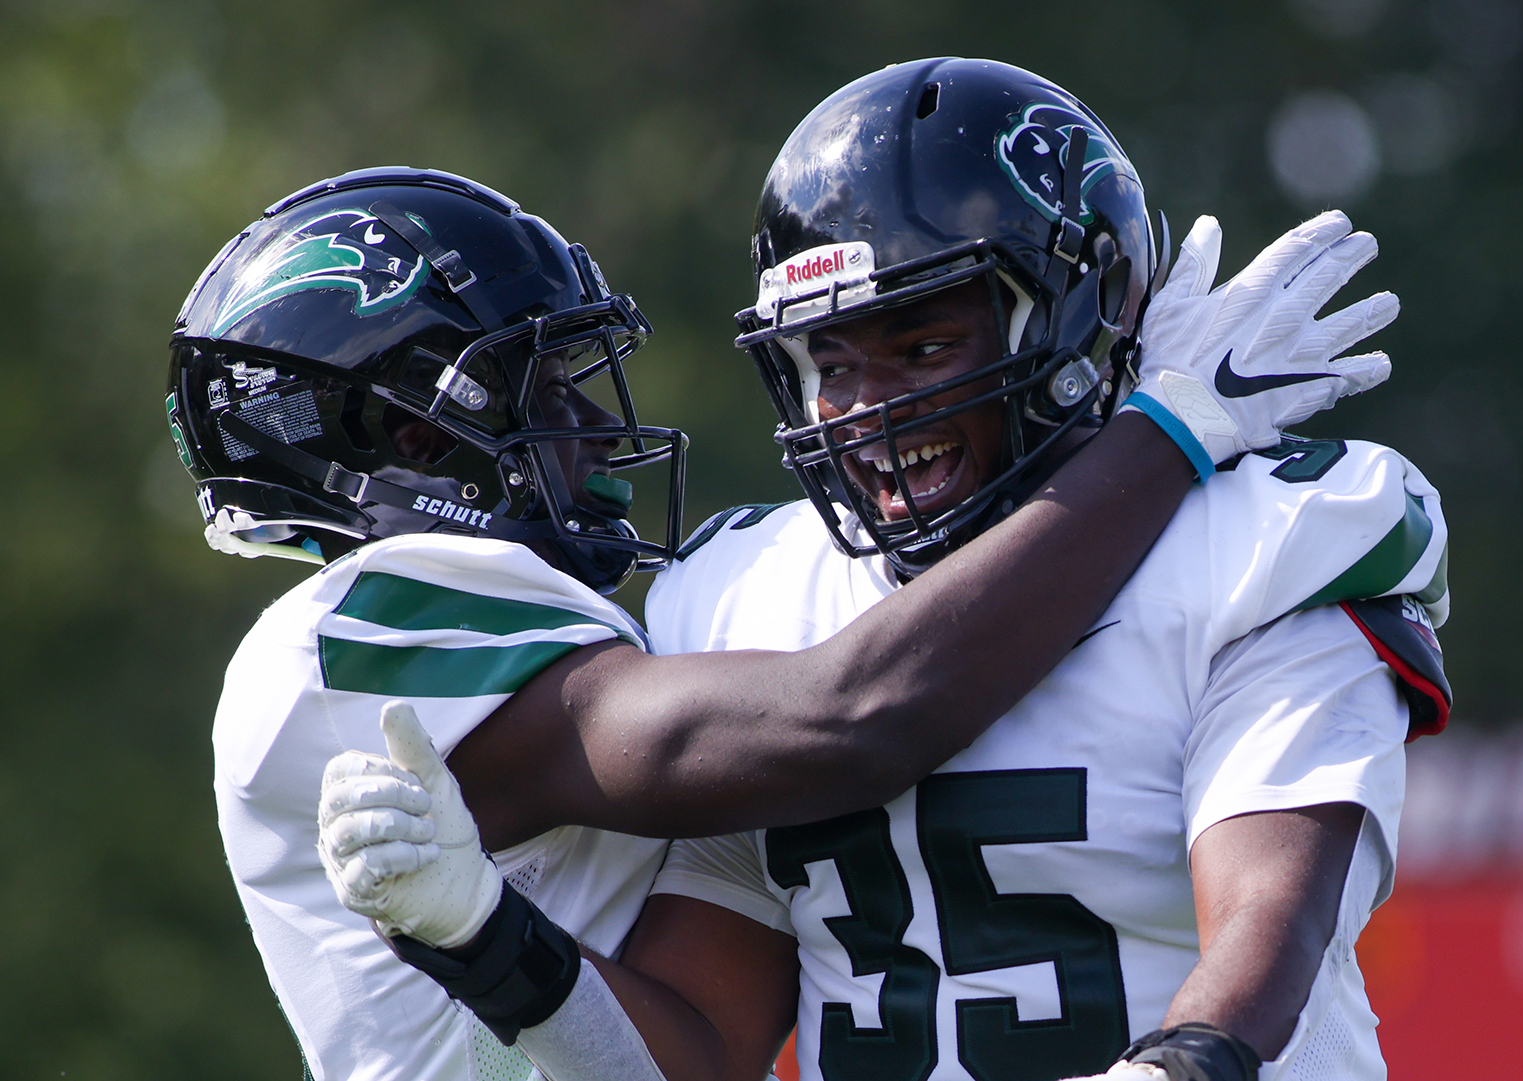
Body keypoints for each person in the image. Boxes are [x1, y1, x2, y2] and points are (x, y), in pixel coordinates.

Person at [326, 60, 1447, 1081]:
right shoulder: (745, 591)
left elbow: (1270, 922)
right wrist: (486, 935)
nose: (870, 408)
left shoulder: (1262, 538)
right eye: (831, 362)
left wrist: (1178, 1068)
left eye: (923, 347)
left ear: (1078, 320)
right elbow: (697, 1053)